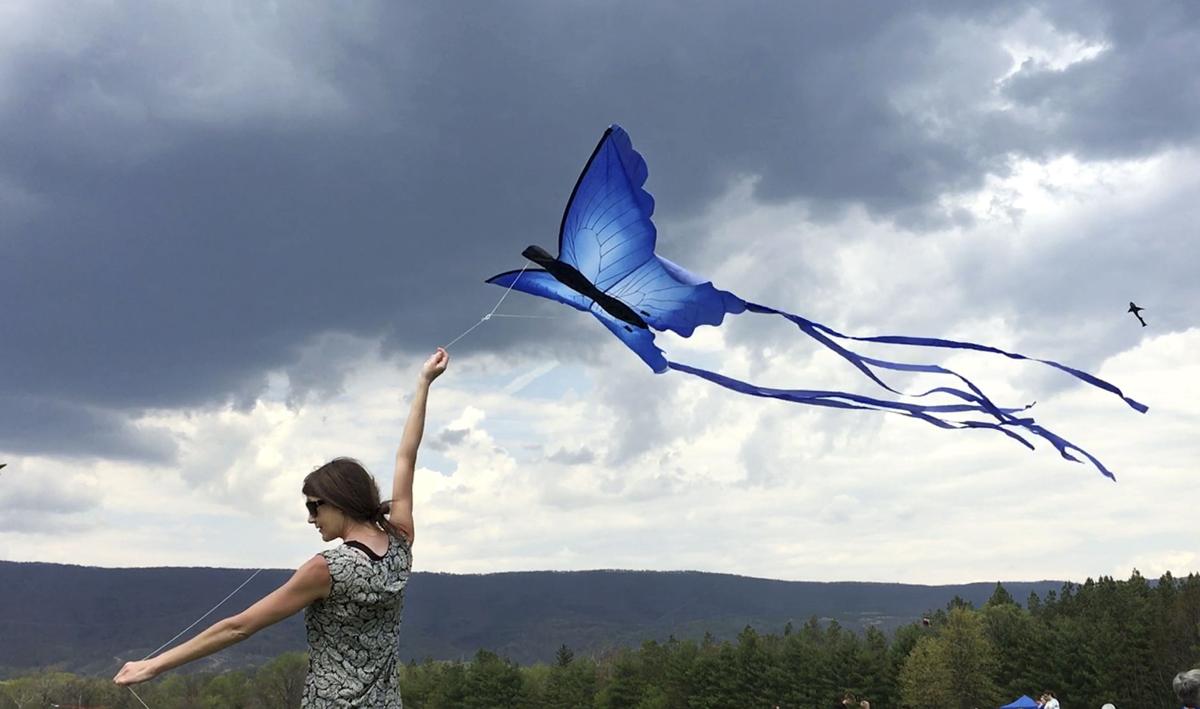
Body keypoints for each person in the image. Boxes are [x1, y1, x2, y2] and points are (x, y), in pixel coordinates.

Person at [115, 348, 450, 707]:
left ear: (337, 500)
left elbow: (238, 627)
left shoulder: (327, 569)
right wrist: (423, 383)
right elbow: (406, 456)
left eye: (313, 506)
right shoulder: (401, 539)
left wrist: (153, 666)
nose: (310, 518)